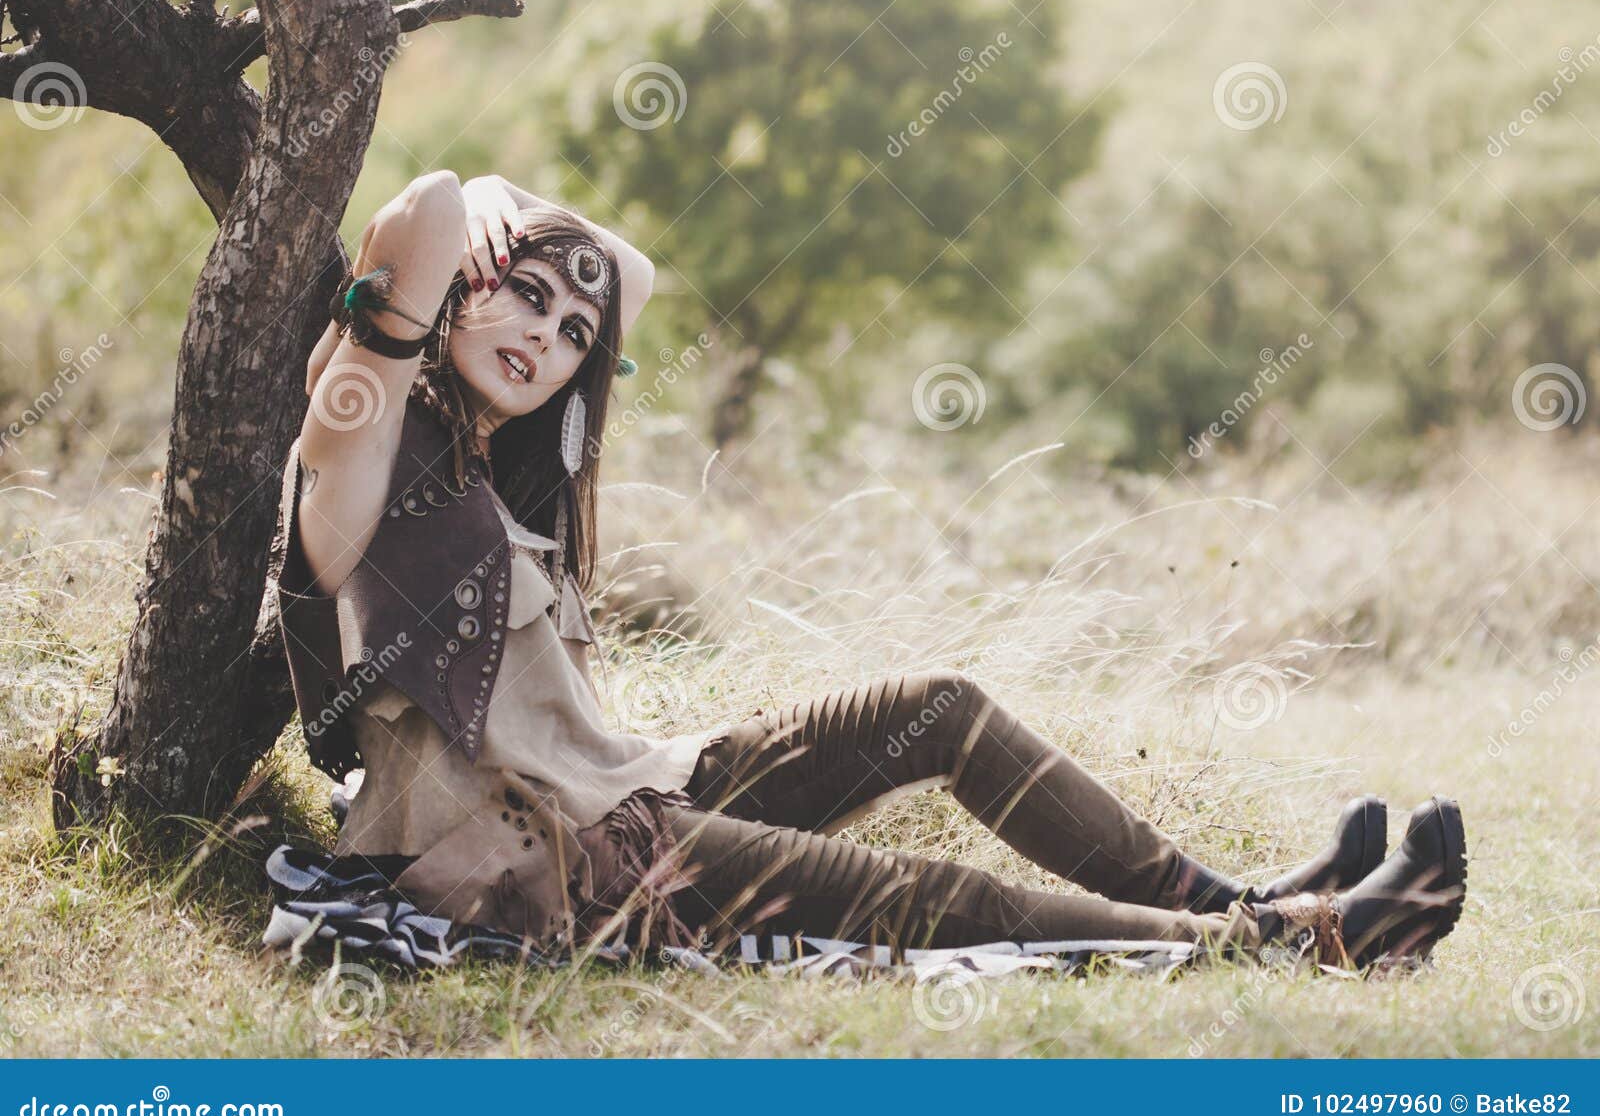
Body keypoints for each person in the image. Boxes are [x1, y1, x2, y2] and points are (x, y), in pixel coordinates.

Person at [272, 170, 1468, 971]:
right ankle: (1297, 943)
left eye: (570, 333)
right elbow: (424, 211)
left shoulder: (503, 463)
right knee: (917, 889)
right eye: (520, 295)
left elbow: (625, 274)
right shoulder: (359, 441)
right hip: (546, 856)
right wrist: (467, 208)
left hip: (630, 789)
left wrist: (513, 218)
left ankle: (1227, 895)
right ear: (454, 289)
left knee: (938, 707)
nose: (548, 335)